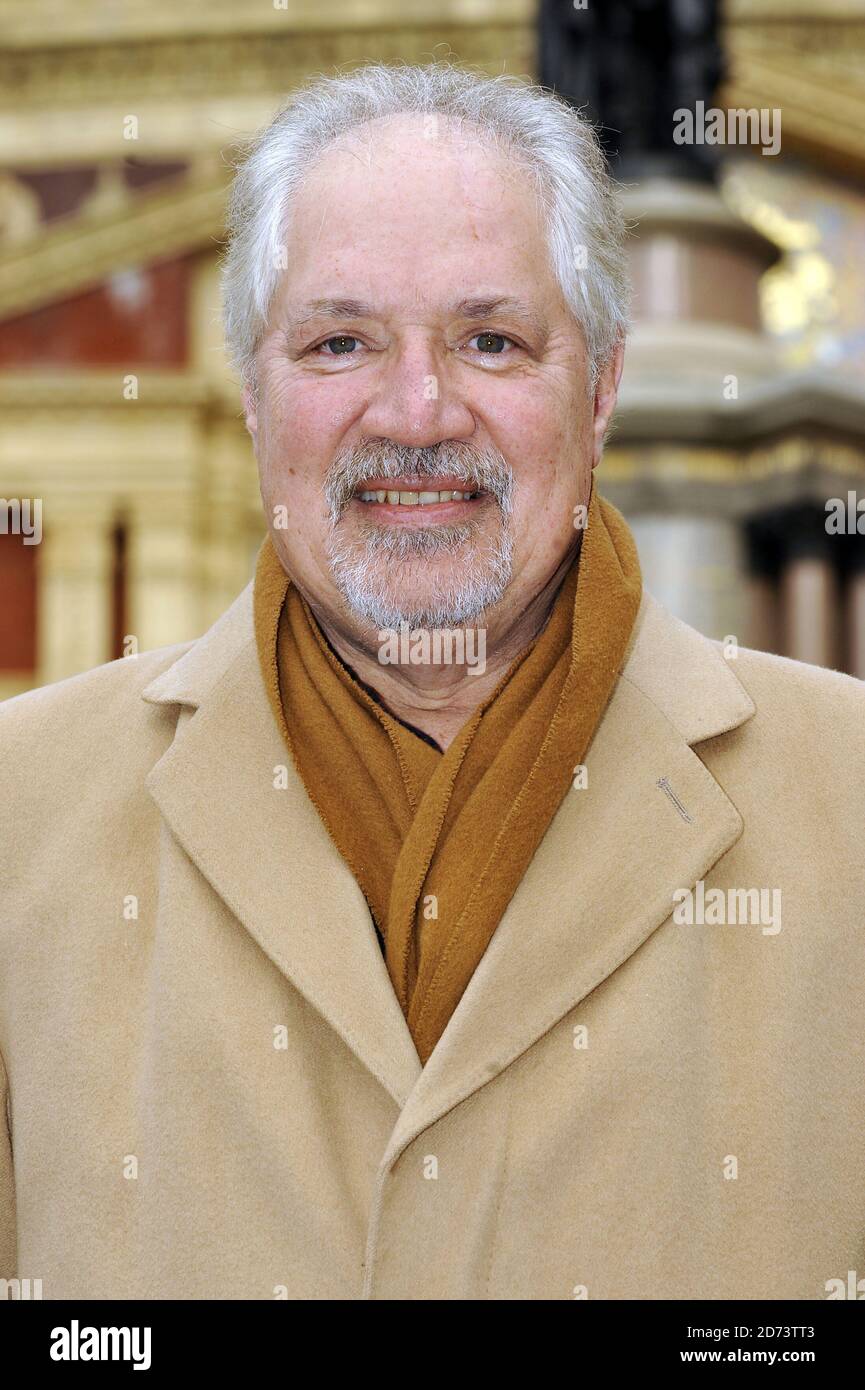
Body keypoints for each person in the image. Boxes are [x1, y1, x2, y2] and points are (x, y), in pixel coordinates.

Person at [1, 64, 863, 1301]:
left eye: (490, 340)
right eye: (340, 341)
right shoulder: (16, 816)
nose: (417, 413)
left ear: (601, 387)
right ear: (254, 392)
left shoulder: (853, 800)